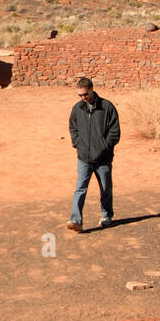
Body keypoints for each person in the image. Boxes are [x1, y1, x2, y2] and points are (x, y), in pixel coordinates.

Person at [66, 76, 120, 232]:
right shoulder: (77, 109)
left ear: (92, 89)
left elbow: (114, 132)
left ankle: (106, 215)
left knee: (105, 188)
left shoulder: (107, 107)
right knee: (80, 188)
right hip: (84, 157)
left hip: (103, 158)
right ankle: (76, 220)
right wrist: (78, 144)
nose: (83, 98)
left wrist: (104, 147)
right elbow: (73, 127)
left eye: (85, 94)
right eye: (80, 96)